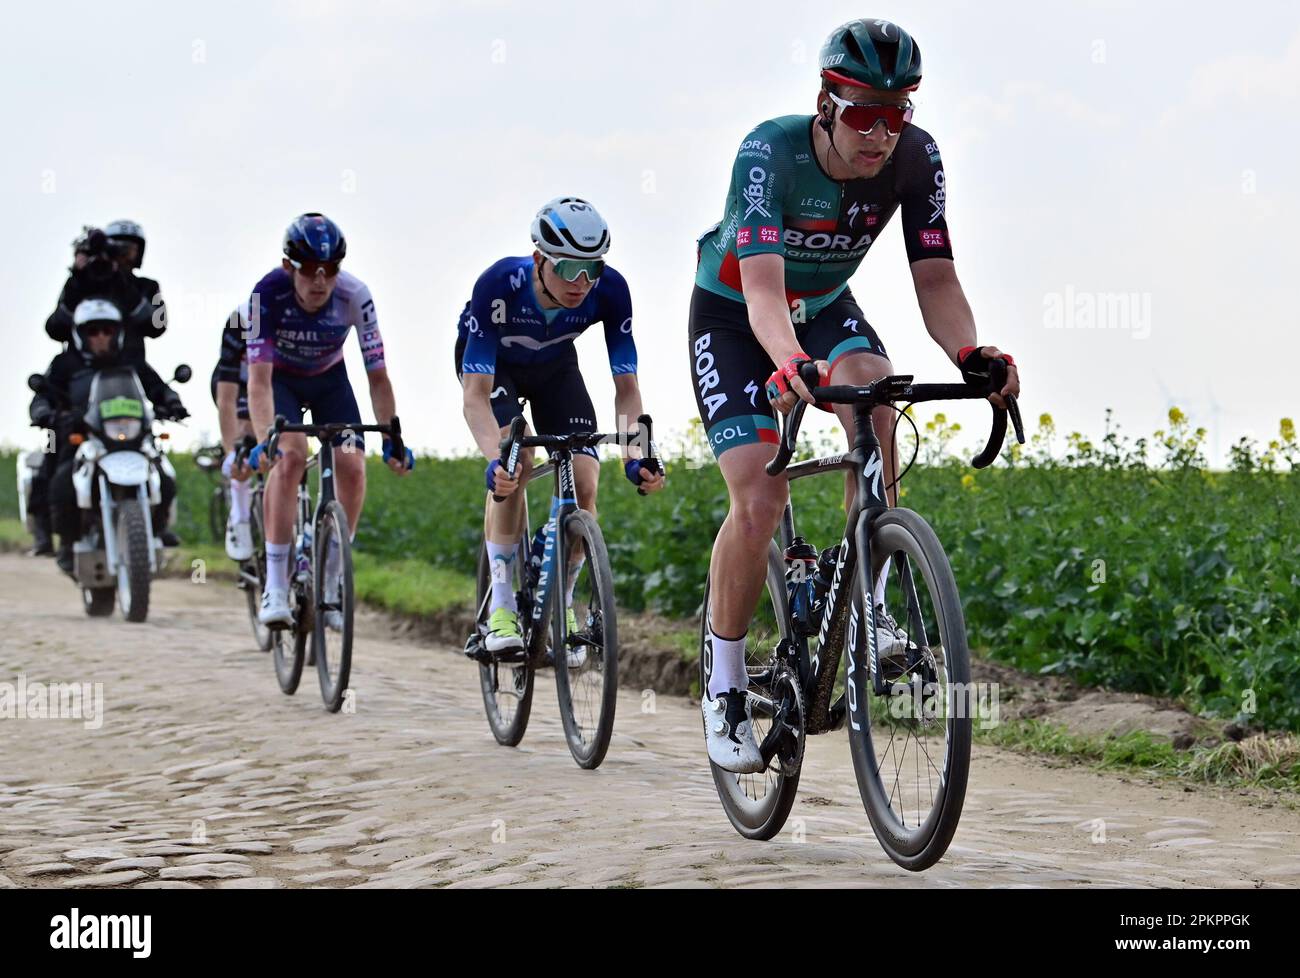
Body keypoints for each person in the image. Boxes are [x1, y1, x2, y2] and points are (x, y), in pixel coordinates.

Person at [689, 19, 1020, 772]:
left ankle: (870, 605)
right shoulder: (768, 152)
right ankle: (726, 682)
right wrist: (790, 363)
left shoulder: (917, 158)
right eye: (865, 112)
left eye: (897, 111)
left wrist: (971, 353)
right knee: (760, 497)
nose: (882, 132)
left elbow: (935, 279)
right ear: (826, 102)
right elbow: (765, 293)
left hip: (828, 303)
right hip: (737, 312)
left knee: (875, 393)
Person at [456, 196, 665, 654]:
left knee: (586, 483)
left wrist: (635, 453)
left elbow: (626, 386)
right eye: (569, 268)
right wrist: (496, 459)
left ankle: (563, 604)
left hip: (554, 368)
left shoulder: (610, 290)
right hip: (496, 371)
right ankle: (503, 610)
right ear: (539, 260)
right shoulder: (498, 284)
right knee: (518, 459)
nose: (582, 282)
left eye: (592, 269)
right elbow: (474, 398)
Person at [246, 213, 413, 627]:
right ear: (289, 267)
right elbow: (259, 382)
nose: (320, 281)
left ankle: (333, 575)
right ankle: (277, 586)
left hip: (329, 382)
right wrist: (267, 437)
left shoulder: (355, 295)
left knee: (353, 465)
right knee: (289, 458)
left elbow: (377, 376)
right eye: (309, 271)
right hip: (281, 382)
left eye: (330, 270)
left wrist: (392, 434)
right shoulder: (264, 296)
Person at [33, 300, 187, 576]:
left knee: (163, 477)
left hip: (130, 436)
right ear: (80, 334)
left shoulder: (131, 361)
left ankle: (159, 527)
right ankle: (67, 543)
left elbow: (158, 387)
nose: (101, 336)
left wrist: (172, 402)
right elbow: (43, 395)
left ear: (117, 332)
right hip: (84, 435)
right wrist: (44, 411)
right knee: (61, 482)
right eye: (93, 331)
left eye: (107, 330)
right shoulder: (65, 364)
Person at [45, 223, 166, 364]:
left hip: (131, 370)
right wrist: (78, 276)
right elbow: (55, 329)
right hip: (78, 371)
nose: (124, 254)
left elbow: (158, 326)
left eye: (129, 249)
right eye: (117, 247)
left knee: (159, 386)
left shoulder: (149, 286)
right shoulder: (78, 283)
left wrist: (120, 282)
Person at [211, 303, 256, 561]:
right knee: (245, 435)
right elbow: (226, 399)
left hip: (273, 385)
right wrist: (230, 452)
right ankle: (239, 515)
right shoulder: (240, 321)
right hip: (234, 386)